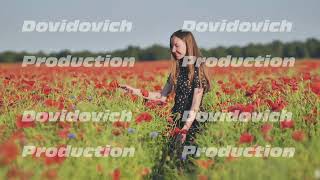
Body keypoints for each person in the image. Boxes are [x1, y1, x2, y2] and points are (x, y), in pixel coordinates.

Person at [120, 29, 211, 174]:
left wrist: (185, 129)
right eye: (171, 46)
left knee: (189, 164)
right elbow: (161, 96)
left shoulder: (197, 70)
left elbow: (195, 104)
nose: (173, 50)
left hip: (192, 123)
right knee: (174, 163)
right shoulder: (176, 70)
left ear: (188, 45)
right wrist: (134, 91)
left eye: (177, 46)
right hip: (176, 120)